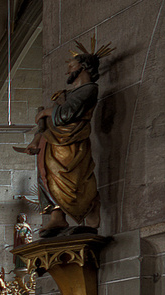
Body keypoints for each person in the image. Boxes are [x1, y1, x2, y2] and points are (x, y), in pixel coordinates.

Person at [18, 42, 112, 236]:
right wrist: (36, 139)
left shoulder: (89, 90)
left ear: (84, 67)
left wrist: (46, 112)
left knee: (75, 178)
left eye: (73, 64)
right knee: (45, 175)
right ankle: (57, 216)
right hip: (52, 141)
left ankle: (91, 211)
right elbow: (45, 124)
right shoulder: (65, 94)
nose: (68, 68)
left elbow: (65, 115)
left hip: (72, 141)